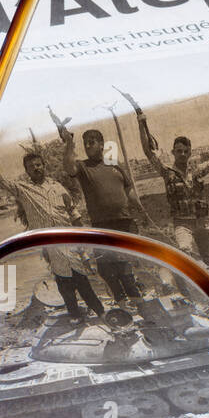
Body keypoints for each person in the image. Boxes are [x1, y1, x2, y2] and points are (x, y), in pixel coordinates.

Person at [0, 145, 105, 322]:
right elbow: (1, 181)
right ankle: (75, 314)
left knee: (81, 277)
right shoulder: (23, 189)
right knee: (63, 280)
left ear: (44, 166)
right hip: (49, 242)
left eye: (39, 165)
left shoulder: (57, 187)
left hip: (69, 237)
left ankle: (100, 312)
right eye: (32, 167)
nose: (36, 168)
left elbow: (73, 211)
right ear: (27, 170)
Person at [52, 113, 148, 306]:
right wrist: (70, 143)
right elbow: (68, 166)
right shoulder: (83, 167)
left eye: (92, 142)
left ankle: (137, 301)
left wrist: (141, 210)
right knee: (106, 267)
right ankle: (122, 303)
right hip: (102, 224)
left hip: (124, 221)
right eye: (86, 143)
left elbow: (128, 190)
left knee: (125, 263)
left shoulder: (115, 165)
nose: (88, 146)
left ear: (102, 144)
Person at [134, 103, 209, 269]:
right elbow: (149, 152)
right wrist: (141, 122)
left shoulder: (197, 171)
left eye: (185, 151)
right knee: (185, 254)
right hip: (182, 224)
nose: (182, 154)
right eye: (179, 151)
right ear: (173, 152)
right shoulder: (167, 171)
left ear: (190, 153)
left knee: (208, 257)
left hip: (200, 223)